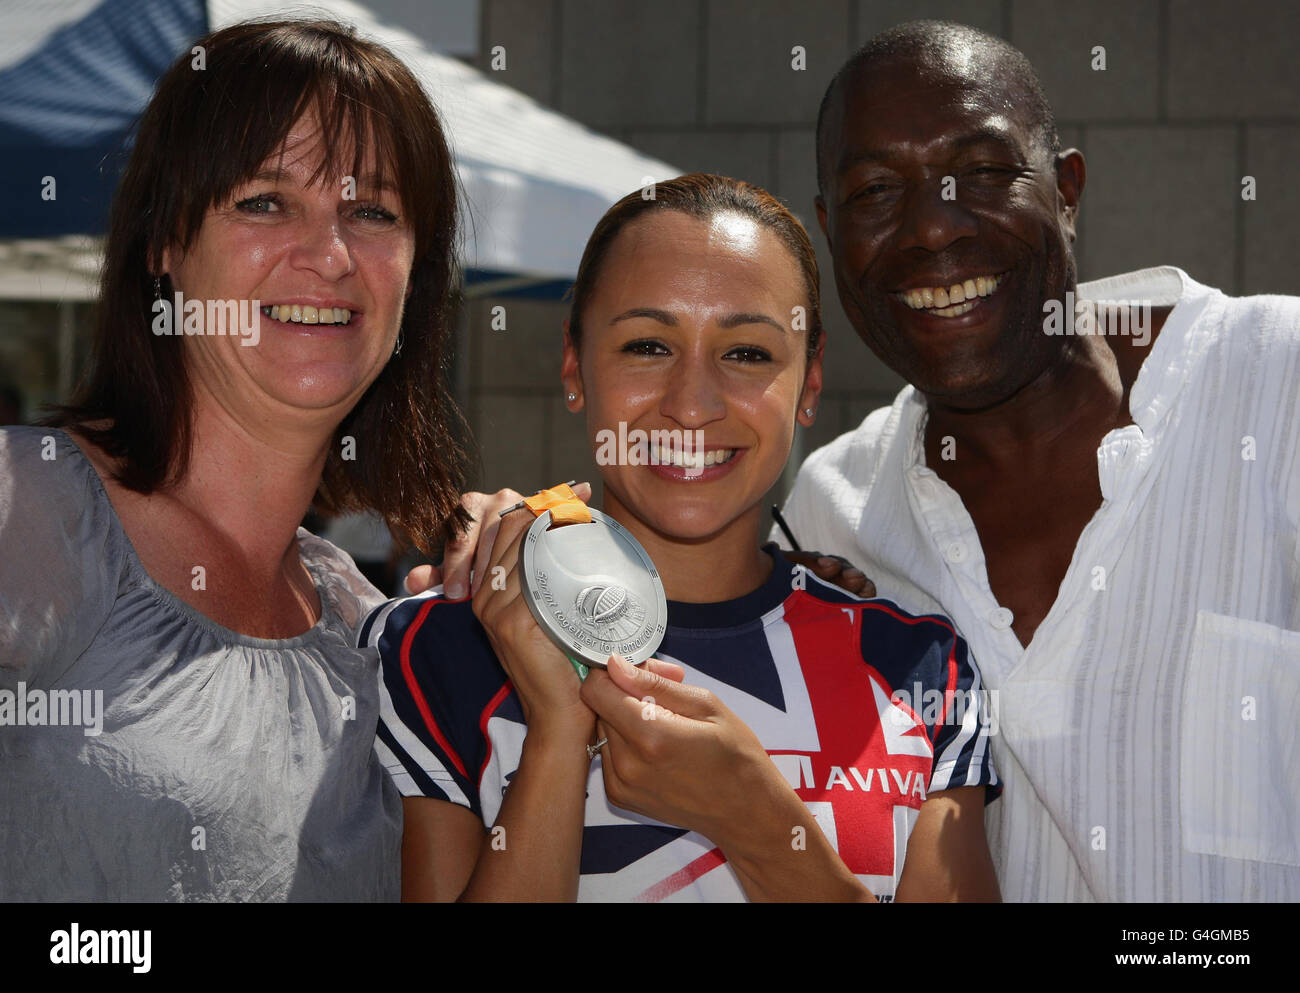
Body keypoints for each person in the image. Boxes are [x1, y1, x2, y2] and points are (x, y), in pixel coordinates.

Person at [773, 20, 1300, 901]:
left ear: (1066, 190)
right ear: (831, 233)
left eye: (981, 172)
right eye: (874, 191)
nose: (932, 230)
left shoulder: (1277, 381)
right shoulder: (831, 512)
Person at [368, 174, 1001, 902]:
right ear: (574, 367)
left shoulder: (921, 664)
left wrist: (757, 825)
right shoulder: (439, 644)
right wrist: (555, 738)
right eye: (647, 344)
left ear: (811, 383)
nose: (693, 405)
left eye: (748, 354)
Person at [0, 18, 470, 900]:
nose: (328, 256)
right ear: (165, 244)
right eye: (264, 200)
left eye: (371, 212)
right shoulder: (24, 509)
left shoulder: (373, 631)